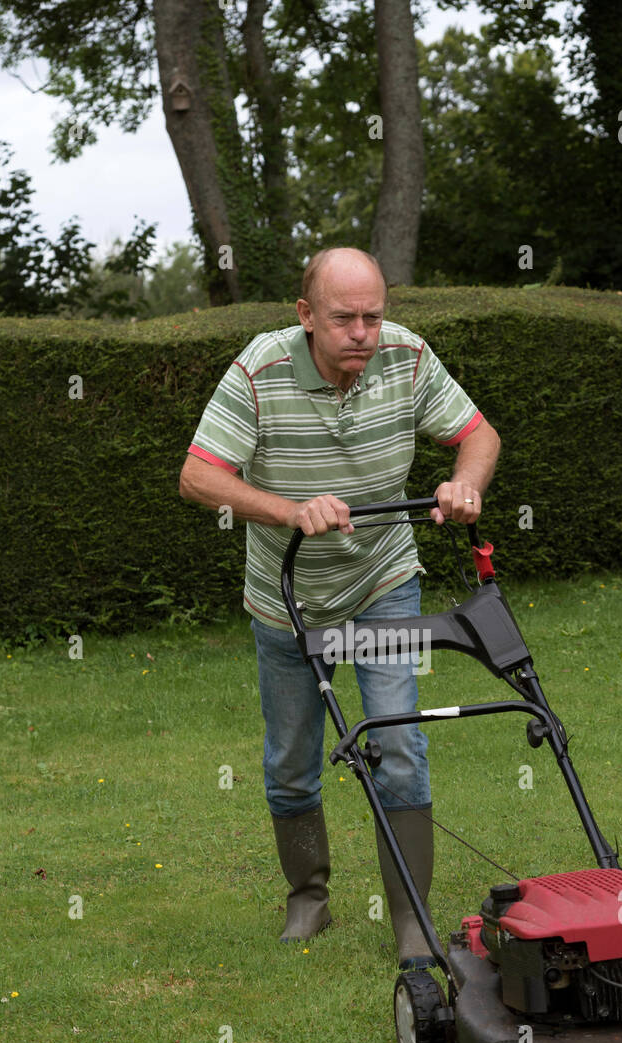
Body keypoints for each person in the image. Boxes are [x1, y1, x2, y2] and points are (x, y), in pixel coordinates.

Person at [179, 246, 500, 968]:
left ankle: (412, 922)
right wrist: (289, 510)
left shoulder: (408, 359)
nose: (362, 332)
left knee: (398, 745)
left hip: (384, 581)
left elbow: (477, 435)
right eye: (344, 318)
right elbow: (198, 476)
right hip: (287, 600)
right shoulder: (259, 371)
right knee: (292, 761)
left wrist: (462, 484)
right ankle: (308, 899)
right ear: (305, 317)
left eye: (373, 317)